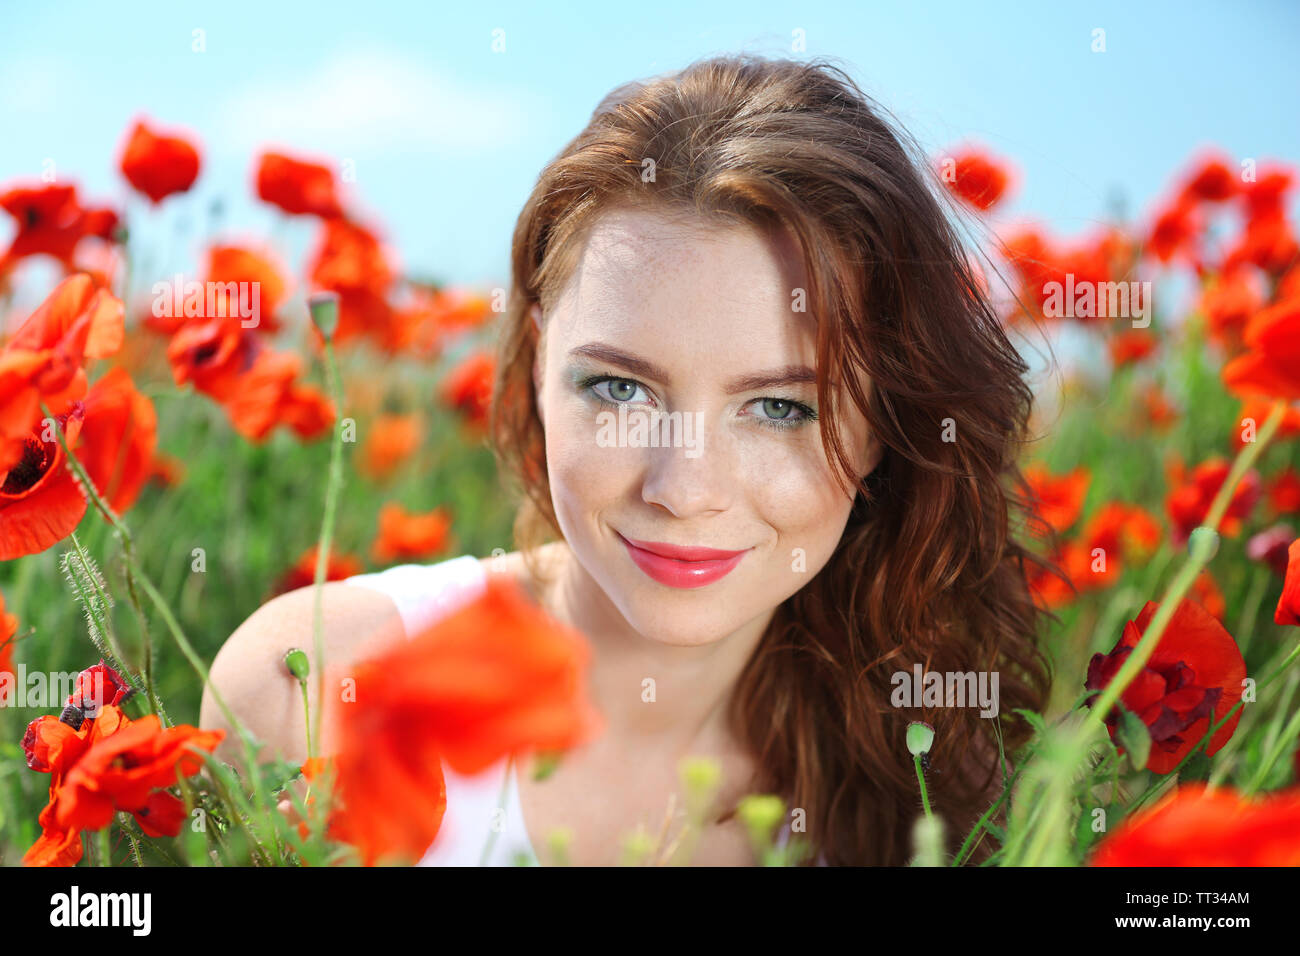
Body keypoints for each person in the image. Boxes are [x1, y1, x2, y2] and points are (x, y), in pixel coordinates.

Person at [201, 53, 1053, 866]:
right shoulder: (306, 696)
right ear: (538, 365)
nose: (684, 490)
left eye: (780, 408)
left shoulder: (931, 776)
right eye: (619, 390)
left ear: (881, 428)